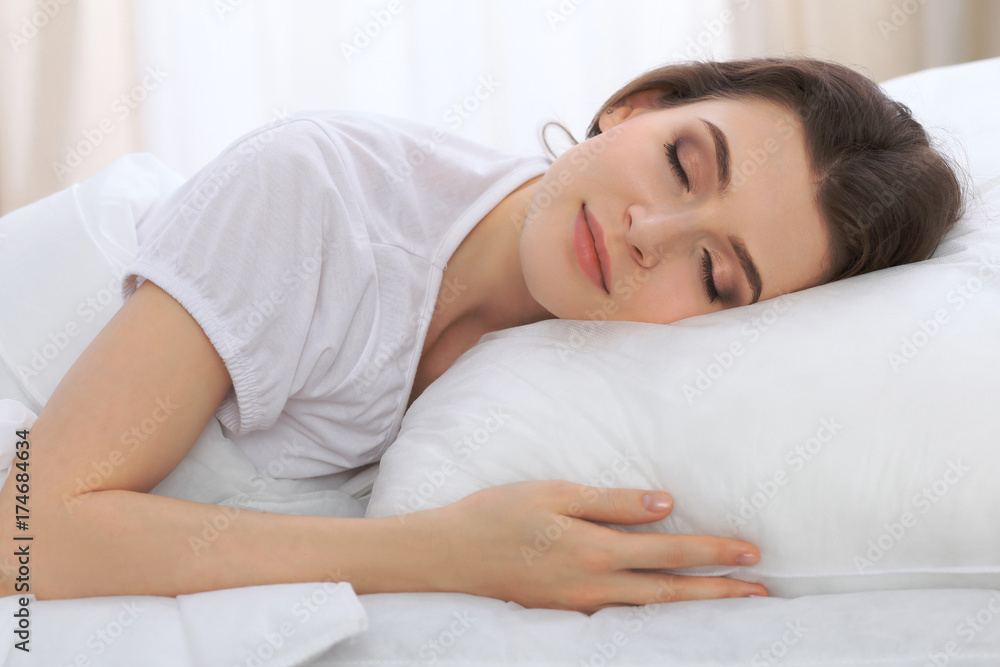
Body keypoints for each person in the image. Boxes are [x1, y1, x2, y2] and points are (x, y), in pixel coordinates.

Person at [0, 57, 963, 614]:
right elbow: (24, 536)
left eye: (714, 274)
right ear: (637, 106)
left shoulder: (588, 382)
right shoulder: (319, 191)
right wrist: (442, 554)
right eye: (680, 162)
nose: (647, 235)